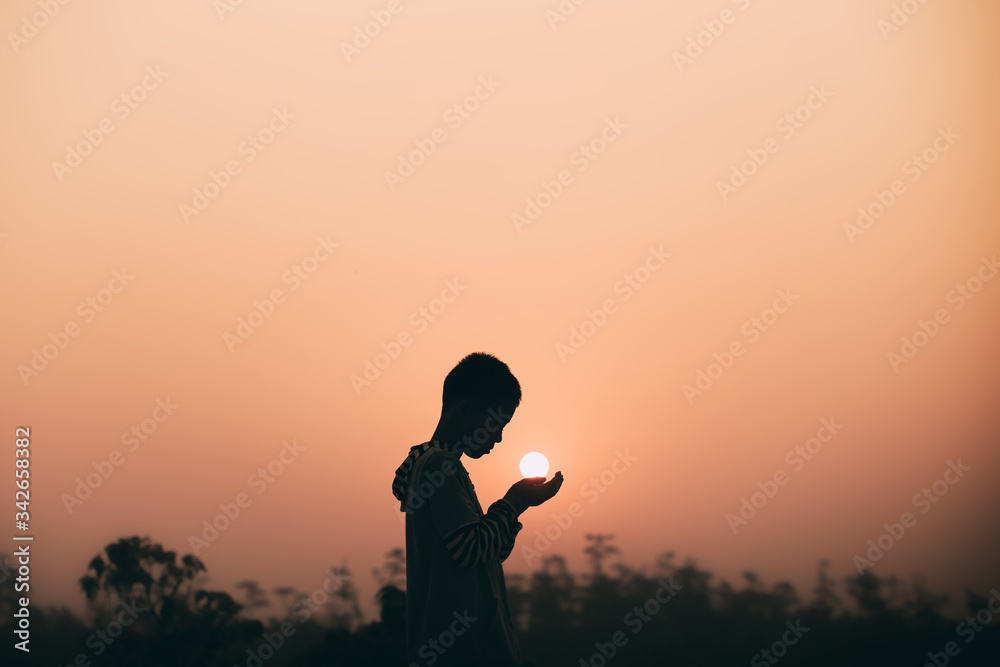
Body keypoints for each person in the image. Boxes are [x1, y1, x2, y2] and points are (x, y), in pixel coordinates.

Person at [391, 352, 564, 666]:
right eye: (496, 424)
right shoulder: (440, 466)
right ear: (466, 410)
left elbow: (488, 553)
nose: (498, 438)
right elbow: (469, 548)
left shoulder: (437, 463)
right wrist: (514, 502)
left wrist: (514, 512)